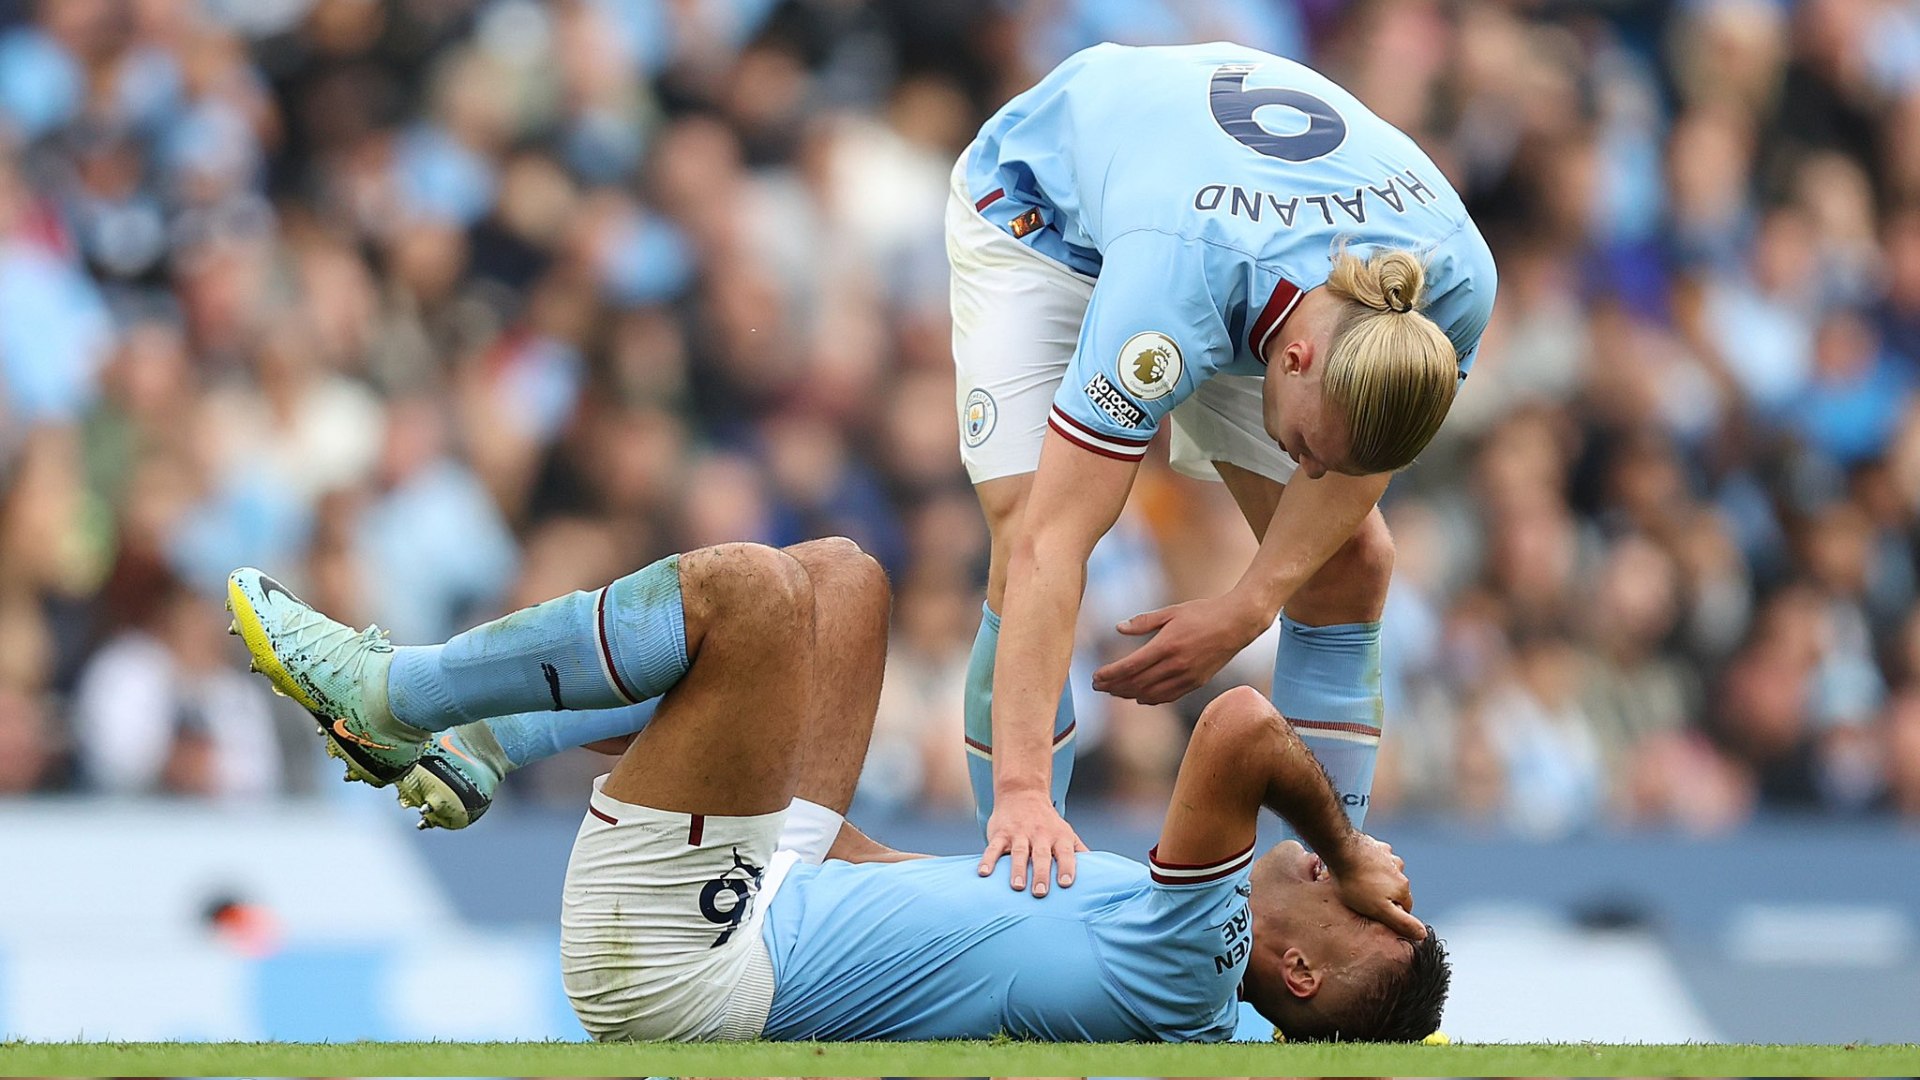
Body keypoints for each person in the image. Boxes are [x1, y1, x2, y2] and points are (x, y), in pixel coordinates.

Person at [225, 539, 1447, 1042]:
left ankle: (405, 697)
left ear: (1298, 973)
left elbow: (1239, 727)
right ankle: (479, 745)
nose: (1364, 877)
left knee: (749, 602)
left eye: (1368, 912)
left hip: (688, 963)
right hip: (778, 889)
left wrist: (1340, 846)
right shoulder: (1198, 977)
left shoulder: (1195, 961)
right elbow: (900, 898)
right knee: (844, 581)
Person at [949, 43, 1497, 895]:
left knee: (1349, 563)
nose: (1312, 469)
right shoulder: (1171, 294)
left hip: (1218, 225)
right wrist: (1020, 789)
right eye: (1312, 447)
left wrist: (1250, 606)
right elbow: (1052, 548)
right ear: (1297, 358)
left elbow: (1353, 468)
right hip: (1041, 209)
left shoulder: (1452, 282)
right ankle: (1018, 861)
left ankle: (1327, 884)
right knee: (1028, 522)